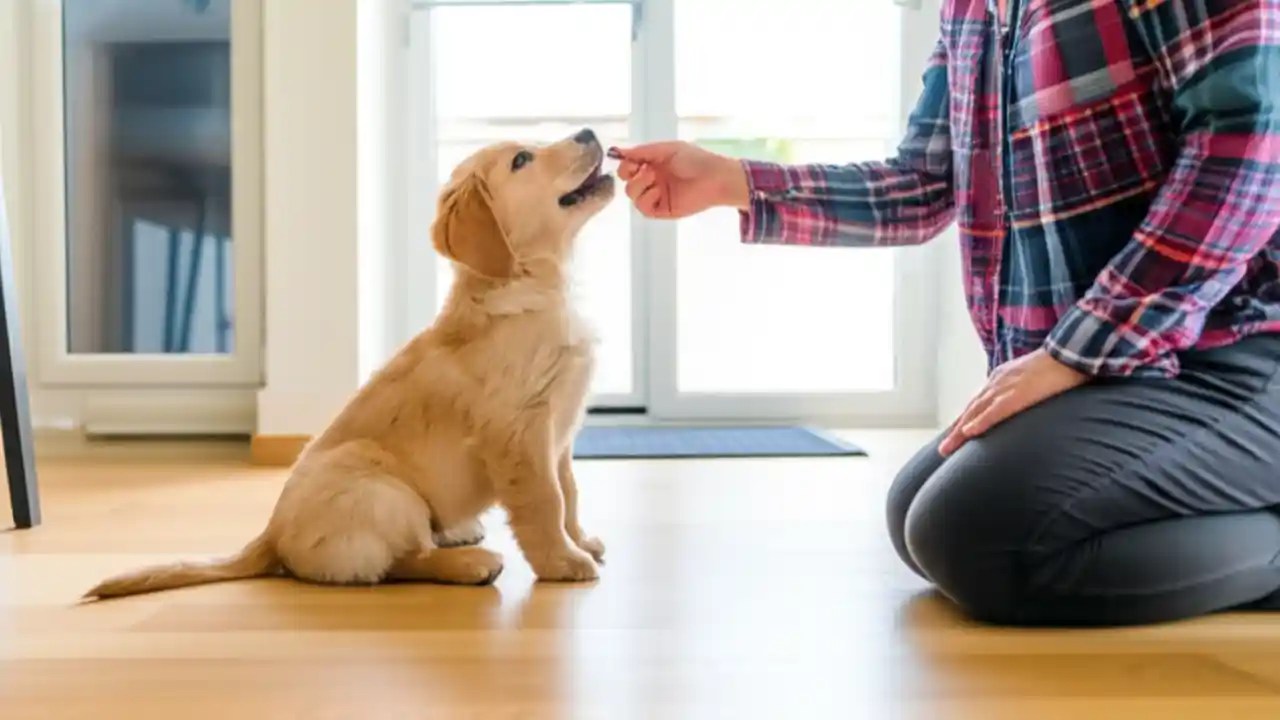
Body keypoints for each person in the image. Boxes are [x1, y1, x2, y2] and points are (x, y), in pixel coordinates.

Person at [610, 0, 1280, 627]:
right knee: (917, 510)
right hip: (1112, 368)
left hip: (1233, 353)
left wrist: (1077, 350)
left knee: (971, 534)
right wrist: (734, 181)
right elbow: (924, 184)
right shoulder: (971, 9)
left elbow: (1251, 148)